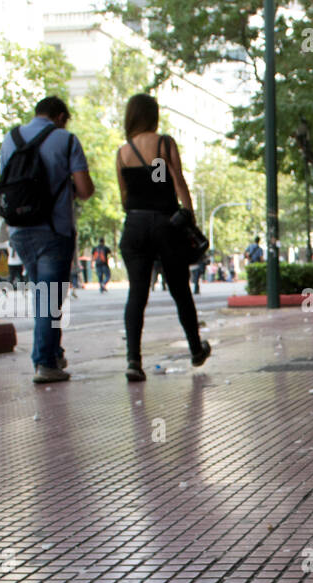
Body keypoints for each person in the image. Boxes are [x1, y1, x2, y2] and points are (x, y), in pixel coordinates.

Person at [0, 95, 94, 384]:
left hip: (19, 229)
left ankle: (53, 352)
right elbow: (85, 188)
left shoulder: (10, 138)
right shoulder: (66, 139)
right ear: (61, 117)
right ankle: (44, 362)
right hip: (54, 229)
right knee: (49, 297)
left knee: (44, 293)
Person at [116, 93, 210, 382]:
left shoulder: (123, 152)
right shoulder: (163, 144)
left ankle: (134, 360)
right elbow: (177, 181)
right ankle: (196, 349)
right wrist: (188, 214)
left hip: (134, 226)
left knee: (137, 293)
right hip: (164, 225)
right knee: (180, 290)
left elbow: (124, 196)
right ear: (153, 115)